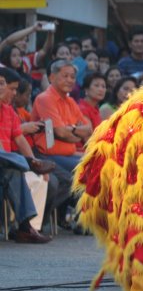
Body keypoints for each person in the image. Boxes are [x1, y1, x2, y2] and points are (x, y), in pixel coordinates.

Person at [0, 68, 58, 243]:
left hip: (5, 164)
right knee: (13, 164)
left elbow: (20, 140)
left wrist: (35, 160)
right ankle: (27, 162)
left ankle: (25, 229)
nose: (14, 93)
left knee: (15, 172)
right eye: (10, 88)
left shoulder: (8, 110)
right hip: (7, 158)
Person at [31, 61, 92, 221]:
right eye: (65, 76)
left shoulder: (70, 101)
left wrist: (71, 130)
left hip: (68, 153)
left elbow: (88, 129)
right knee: (77, 176)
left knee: (98, 163)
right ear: (52, 77)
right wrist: (74, 132)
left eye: (72, 77)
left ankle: (84, 220)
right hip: (46, 154)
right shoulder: (45, 99)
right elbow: (59, 132)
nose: (70, 80)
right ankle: (39, 220)